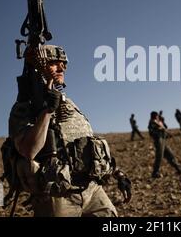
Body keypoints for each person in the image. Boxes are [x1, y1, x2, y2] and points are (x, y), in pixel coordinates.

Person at [8, 45, 131, 217]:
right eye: (53, 63)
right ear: (38, 66)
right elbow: (29, 150)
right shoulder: (26, 107)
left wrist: (118, 173)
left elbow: (89, 145)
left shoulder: (69, 104)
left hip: (92, 189)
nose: (61, 68)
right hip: (57, 195)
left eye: (63, 63)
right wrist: (47, 111)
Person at [148, 111, 181, 178]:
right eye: (157, 116)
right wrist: (160, 130)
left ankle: (178, 168)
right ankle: (155, 173)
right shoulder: (152, 122)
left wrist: (162, 122)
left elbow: (165, 127)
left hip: (163, 141)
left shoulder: (158, 121)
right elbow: (152, 132)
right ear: (154, 116)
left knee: (170, 155)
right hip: (158, 141)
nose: (157, 117)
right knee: (159, 157)